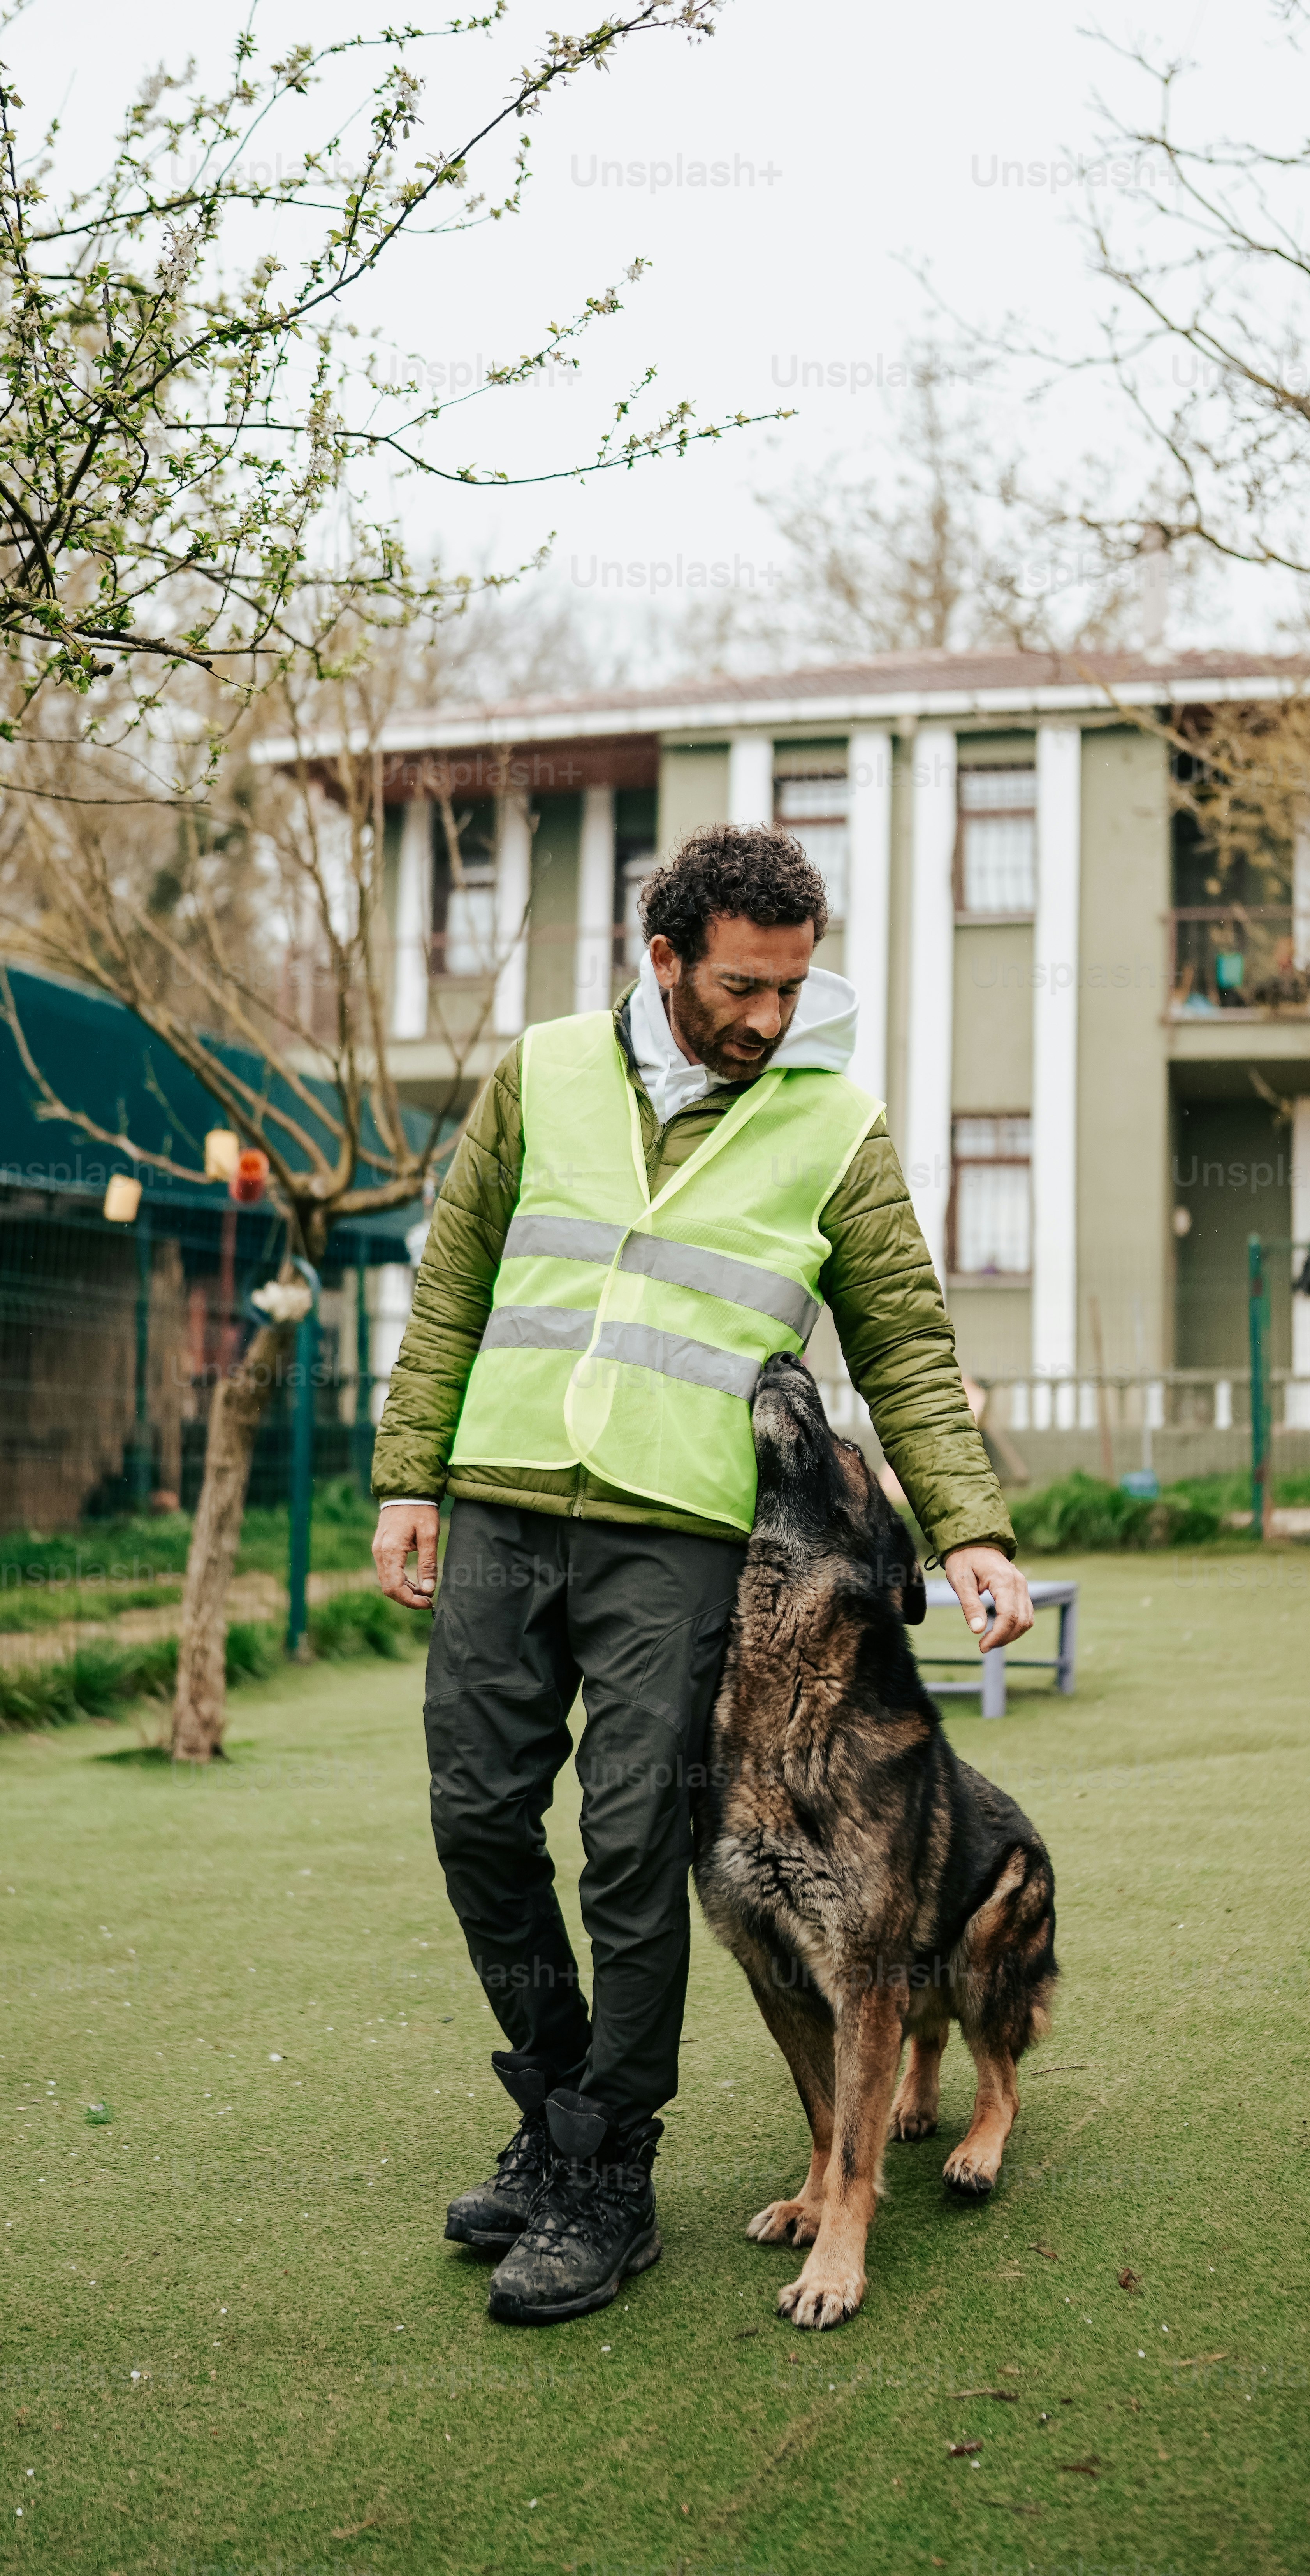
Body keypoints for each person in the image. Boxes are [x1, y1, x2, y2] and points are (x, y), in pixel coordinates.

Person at [371, 820, 1032, 2325]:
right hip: (498, 1506)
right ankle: (553, 2114)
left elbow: (907, 1345)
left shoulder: (832, 1126)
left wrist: (968, 1525)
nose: (769, 1019)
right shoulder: (540, 1070)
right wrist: (410, 1478)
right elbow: (454, 1283)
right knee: (475, 1818)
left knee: (629, 1849)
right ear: (660, 956)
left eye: (793, 989)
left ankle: (609, 2170)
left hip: (678, 1538)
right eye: (742, 986)